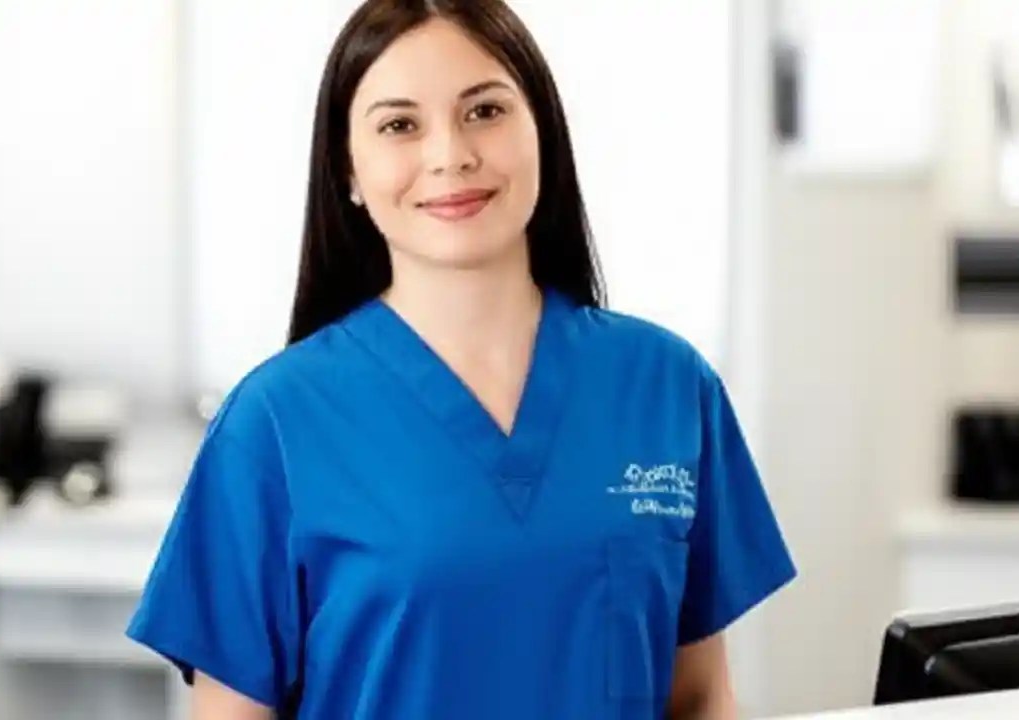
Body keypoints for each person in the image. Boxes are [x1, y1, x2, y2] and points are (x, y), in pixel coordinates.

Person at [127, 1, 797, 718]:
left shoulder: (666, 385)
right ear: (347, 172)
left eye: (484, 111)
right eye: (399, 125)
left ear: (543, 132)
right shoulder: (274, 424)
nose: (450, 154)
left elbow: (698, 698)